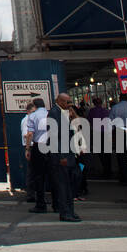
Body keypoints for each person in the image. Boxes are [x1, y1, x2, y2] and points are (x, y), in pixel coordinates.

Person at [47, 94, 81, 222]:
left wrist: (72, 114)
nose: (69, 104)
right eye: (67, 102)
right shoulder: (54, 113)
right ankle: (65, 212)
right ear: (60, 101)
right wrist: (61, 155)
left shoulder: (64, 112)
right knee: (63, 186)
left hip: (69, 153)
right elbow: (54, 136)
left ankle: (70, 210)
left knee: (69, 184)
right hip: (61, 155)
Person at [24, 98, 52, 213]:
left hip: (38, 146)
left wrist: (27, 148)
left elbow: (30, 133)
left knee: (38, 176)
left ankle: (41, 204)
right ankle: (57, 204)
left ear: (34, 106)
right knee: (53, 174)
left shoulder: (33, 116)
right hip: (51, 146)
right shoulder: (50, 114)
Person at [110, 94, 127, 184]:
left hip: (119, 132)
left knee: (121, 156)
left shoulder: (115, 107)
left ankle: (124, 177)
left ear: (119, 98)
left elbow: (111, 122)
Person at [87, 97, 112, 176]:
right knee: (107, 152)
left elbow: (89, 121)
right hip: (106, 133)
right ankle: (109, 169)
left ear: (94, 103)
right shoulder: (106, 111)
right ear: (101, 103)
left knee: (100, 152)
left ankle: (104, 168)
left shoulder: (92, 111)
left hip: (97, 133)